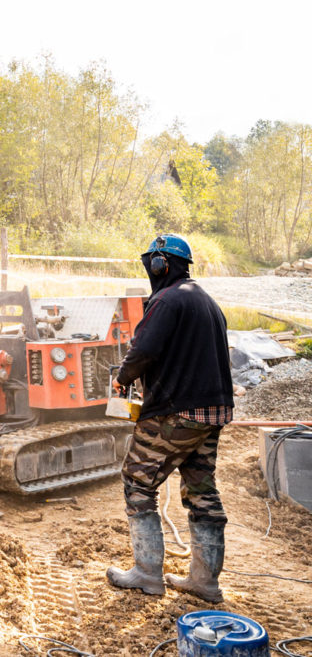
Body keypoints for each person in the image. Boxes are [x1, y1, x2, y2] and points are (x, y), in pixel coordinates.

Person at [106, 234, 233, 603]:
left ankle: (147, 573)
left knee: (138, 481)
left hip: (175, 412)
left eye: (151, 262)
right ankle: (205, 582)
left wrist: (122, 379)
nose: (150, 269)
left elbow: (143, 350)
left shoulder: (165, 300)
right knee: (202, 493)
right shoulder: (206, 301)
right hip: (212, 413)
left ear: (160, 264)